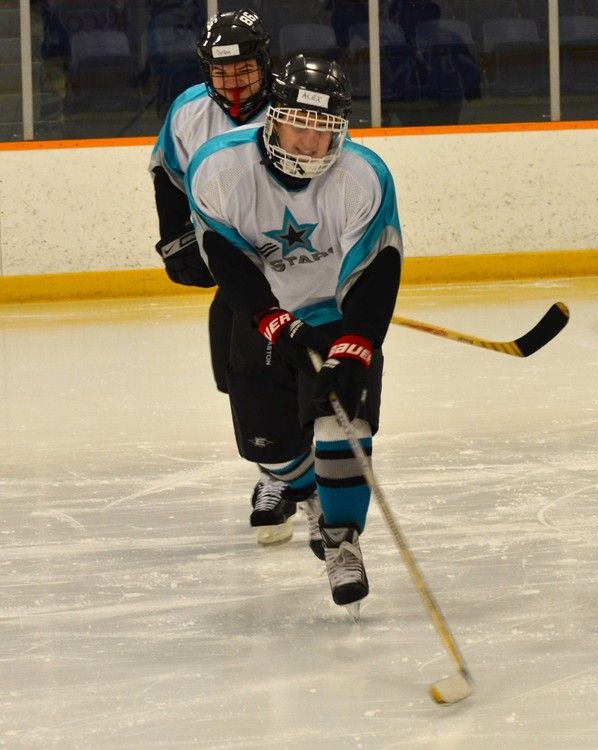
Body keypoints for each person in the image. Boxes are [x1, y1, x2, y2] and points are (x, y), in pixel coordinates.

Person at [185, 55, 403, 611]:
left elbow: (377, 267)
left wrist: (355, 348)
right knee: (273, 451)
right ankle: (304, 491)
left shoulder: (363, 175)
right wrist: (274, 321)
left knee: (343, 419)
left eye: (323, 130)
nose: (309, 144)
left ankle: (342, 542)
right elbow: (224, 259)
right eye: (298, 126)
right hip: (261, 312)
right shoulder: (217, 168)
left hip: (337, 310)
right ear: (273, 119)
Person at [148, 9, 322, 554]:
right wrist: (176, 238)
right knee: (236, 378)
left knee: (299, 376)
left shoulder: (297, 108)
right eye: (221, 74)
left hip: (299, 268)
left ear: (264, 65)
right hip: (236, 272)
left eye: (243, 70)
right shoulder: (189, 111)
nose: (233, 83)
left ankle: (307, 488)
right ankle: (279, 469)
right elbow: (167, 174)